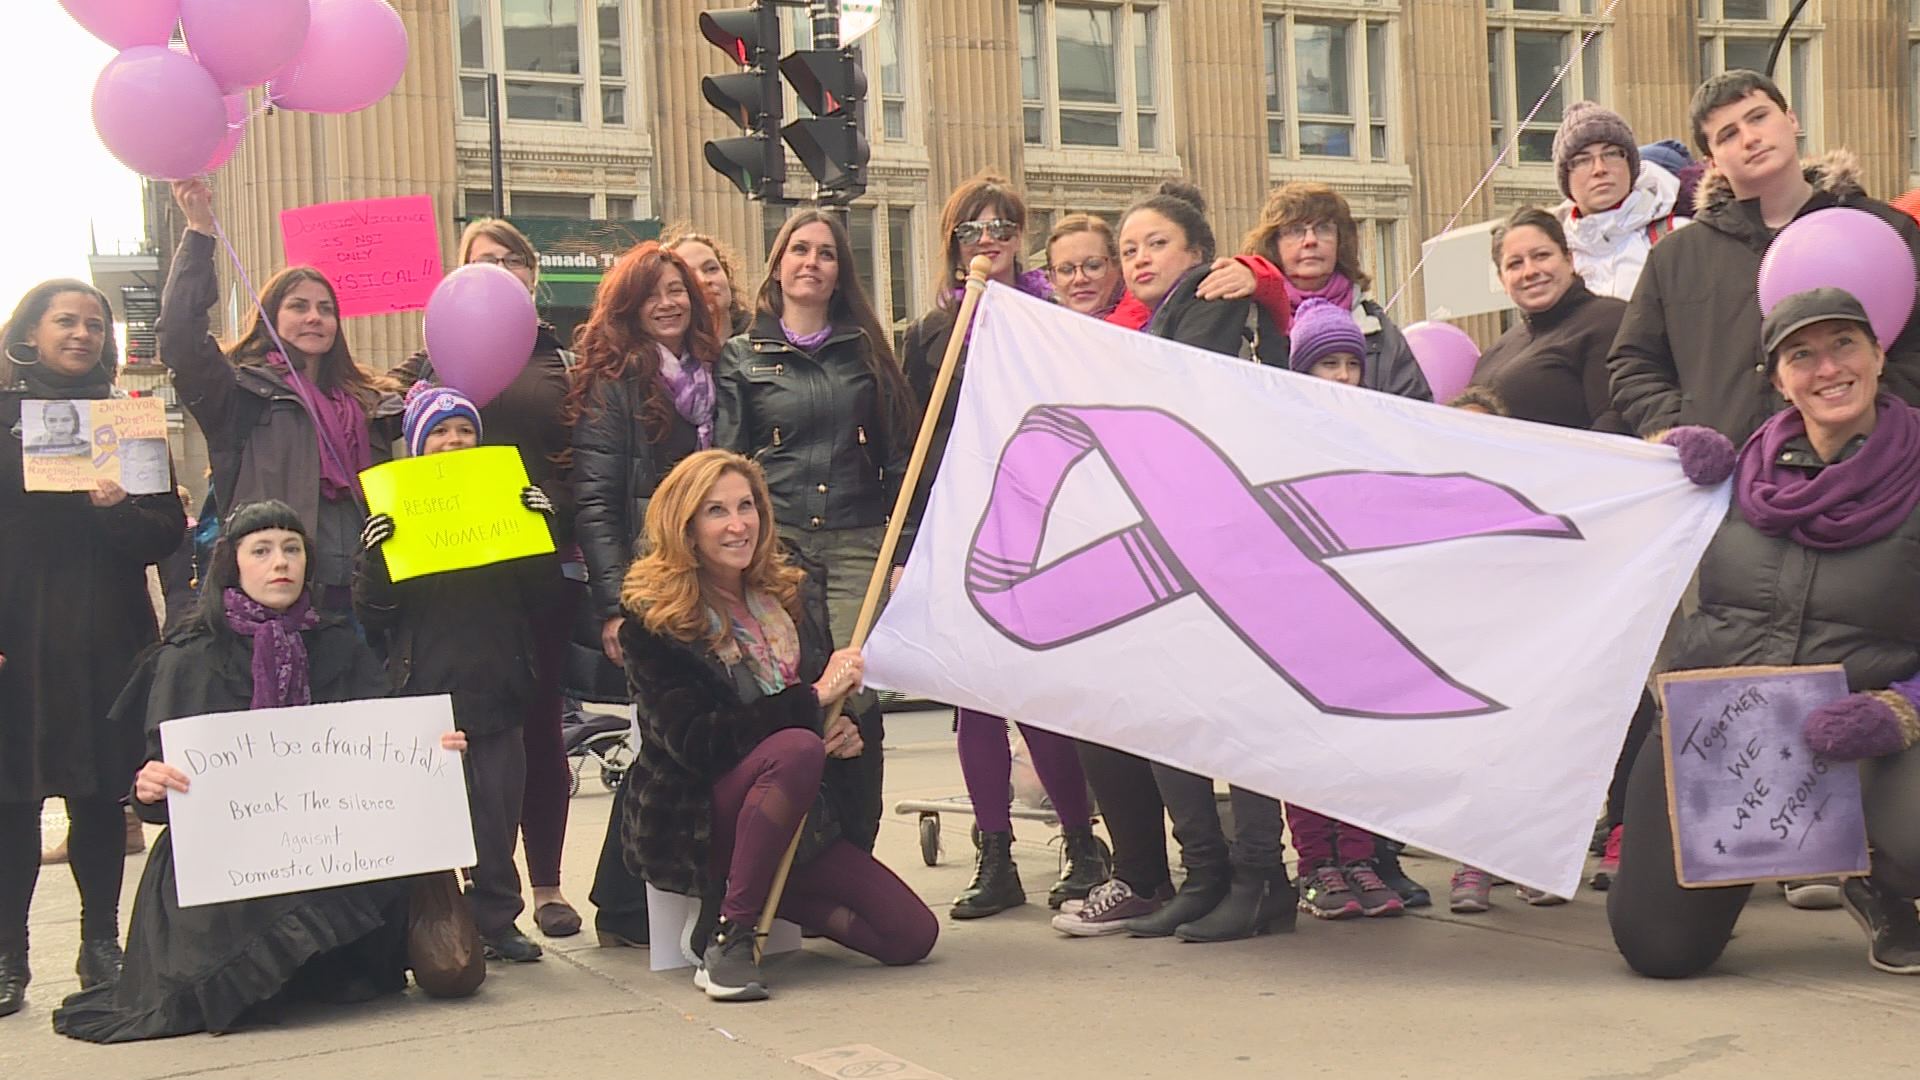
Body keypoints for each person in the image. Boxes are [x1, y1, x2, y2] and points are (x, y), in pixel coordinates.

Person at [52, 500, 470, 1041]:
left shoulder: (338, 643)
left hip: (330, 843)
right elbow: (162, 795)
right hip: (230, 862)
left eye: (292, 549)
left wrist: (429, 749)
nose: (281, 564)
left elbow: (382, 753)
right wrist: (149, 784)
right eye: (263, 550)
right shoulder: (191, 656)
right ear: (234, 564)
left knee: (350, 969)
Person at [1609, 288, 1920, 979]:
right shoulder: (1732, 474)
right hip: (1719, 738)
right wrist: (1660, 468)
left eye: (1844, 344)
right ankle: (1758, 862)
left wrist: (1902, 707)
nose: (1826, 368)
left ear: (1877, 355)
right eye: (1801, 354)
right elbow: (1608, 537)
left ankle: (1886, 883)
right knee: (1660, 951)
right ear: (1778, 379)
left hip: (1862, 738)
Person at [1063, 182, 1296, 943]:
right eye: (1128, 248)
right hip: (1168, 541)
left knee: (1235, 712)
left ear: (1199, 252)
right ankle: (1205, 872)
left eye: (1155, 243)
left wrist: (1257, 274)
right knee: (1174, 707)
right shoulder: (1143, 322)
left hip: (1227, 538)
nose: (1137, 258)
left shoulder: (1216, 297)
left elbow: (1174, 399)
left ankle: (1261, 875)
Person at [617, 450, 937, 1001]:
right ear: (686, 526)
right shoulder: (653, 619)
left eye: (747, 506)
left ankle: (747, 892)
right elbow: (698, 742)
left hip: (794, 814)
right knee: (792, 748)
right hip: (699, 813)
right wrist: (810, 705)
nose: (738, 524)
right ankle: (730, 939)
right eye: (716, 511)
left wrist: (839, 738)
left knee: (910, 935)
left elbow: (815, 715)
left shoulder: (786, 595)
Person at [897, 173, 1108, 919]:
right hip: (966, 527)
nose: (988, 240)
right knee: (975, 698)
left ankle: (1084, 843)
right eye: (971, 229)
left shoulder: (1055, 323)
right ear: (952, 247)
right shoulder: (928, 334)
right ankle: (995, 853)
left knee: (1040, 691)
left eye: (1003, 227)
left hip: (1049, 524)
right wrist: (914, 548)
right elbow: (916, 444)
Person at [389, 217, 585, 938]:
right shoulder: (428, 365)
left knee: (536, 729)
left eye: (512, 260)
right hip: (440, 587)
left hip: (530, 566)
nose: (499, 270)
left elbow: (583, 464)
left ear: (532, 277)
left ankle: (546, 885)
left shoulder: (564, 365)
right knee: (448, 738)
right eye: (482, 261)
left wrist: (548, 512)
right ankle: (451, 900)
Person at [0, 280, 187, 1019]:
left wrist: (116, 514)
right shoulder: (4, 418)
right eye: (65, 321)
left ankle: (98, 943)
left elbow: (165, 534)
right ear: (32, 331)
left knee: (98, 797)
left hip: (108, 635)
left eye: (94, 324)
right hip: (17, 639)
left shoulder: (127, 421)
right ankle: (9, 953)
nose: (81, 334)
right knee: (12, 800)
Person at [713, 210, 913, 845]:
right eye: (799, 249)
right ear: (778, 264)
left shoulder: (866, 355)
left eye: (826, 253)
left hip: (858, 538)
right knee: (797, 681)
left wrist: (901, 548)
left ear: (839, 273)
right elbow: (724, 465)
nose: (812, 262)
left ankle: (858, 840)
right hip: (781, 543)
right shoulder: (741, 358)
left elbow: (901, 457)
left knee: (859, 689)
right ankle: (801, 838)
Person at [355, 384, 560, 963]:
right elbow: (373, 614)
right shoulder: (393, 512)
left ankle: (498, 917)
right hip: (425, 687)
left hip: (498, 683)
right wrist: (375, 559)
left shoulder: (506, 505)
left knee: (496, 810)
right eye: (440, 432)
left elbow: (543, 599)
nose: (453, 441)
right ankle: (432, 924)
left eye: (464, 430)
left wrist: (542, 535)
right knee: (433, 814)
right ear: (419, 446)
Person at [1608, 70, 1920, 444]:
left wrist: (1870, 415)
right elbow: (1633, 364)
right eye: (1728, 135)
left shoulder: (1884, 230)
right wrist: (1682, 429)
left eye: (1758, 117)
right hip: (1727, 481)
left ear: (1791, 120)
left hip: (1869, 469)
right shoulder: (1676, 257)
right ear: (1712, 161)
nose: (1750, 138)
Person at [569, 241, 726, 946]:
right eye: (652, 293)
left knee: (676, 740)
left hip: (714, 580)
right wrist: (612, 605)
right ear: (627, 307)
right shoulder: (618, 382)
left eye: (677, 290)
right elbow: (598, 501)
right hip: (650, 588)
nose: (668, 303)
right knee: (661, 740)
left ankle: (628, 899)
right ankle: (624, 904)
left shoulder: (714, 376)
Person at [158, 179, 402, 618]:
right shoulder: (239, 392)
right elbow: (179, 339)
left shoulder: (368, 402)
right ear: (270, 316)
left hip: (366, 594)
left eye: (326, 309)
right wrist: (198, 232)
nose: (314, 317)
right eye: (298, 306)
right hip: (279, 595)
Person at [1204, 181, 1433, 400]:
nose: (1310, 240)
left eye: (1323, 229)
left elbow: (1414, 414)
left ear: (1340, 241)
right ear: (1273, 243)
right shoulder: (1248, 320)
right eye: (1295, 230)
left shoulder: (1377, 330)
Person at [1469, 207, 1629, 431]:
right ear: (1502, 280)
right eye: (1515, 263)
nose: (1530, 271)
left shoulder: (1609, 321)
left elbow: (1616, 421)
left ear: (1569, 259)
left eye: (1541, 256)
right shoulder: (1498, 349)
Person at [1550, 101, 1685, 300]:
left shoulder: (1680, 237)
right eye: (1583, 160)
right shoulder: (1550, 255)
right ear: (1565, 178)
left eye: (1611, 154)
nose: (1599, 169)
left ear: (1631, 165)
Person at [666, 229, 752, 336]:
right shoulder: (667, 351)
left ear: (727, 276)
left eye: (711, 269)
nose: (703, 280)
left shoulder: (767, 337)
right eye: (690, 275)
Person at [1046, 213, 1125, 319]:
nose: (1079, 279)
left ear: (1118, 268)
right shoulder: (1035, 331)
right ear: (1052, 279)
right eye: (1066, 270)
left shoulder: (1150, 329)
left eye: (1093, 266)